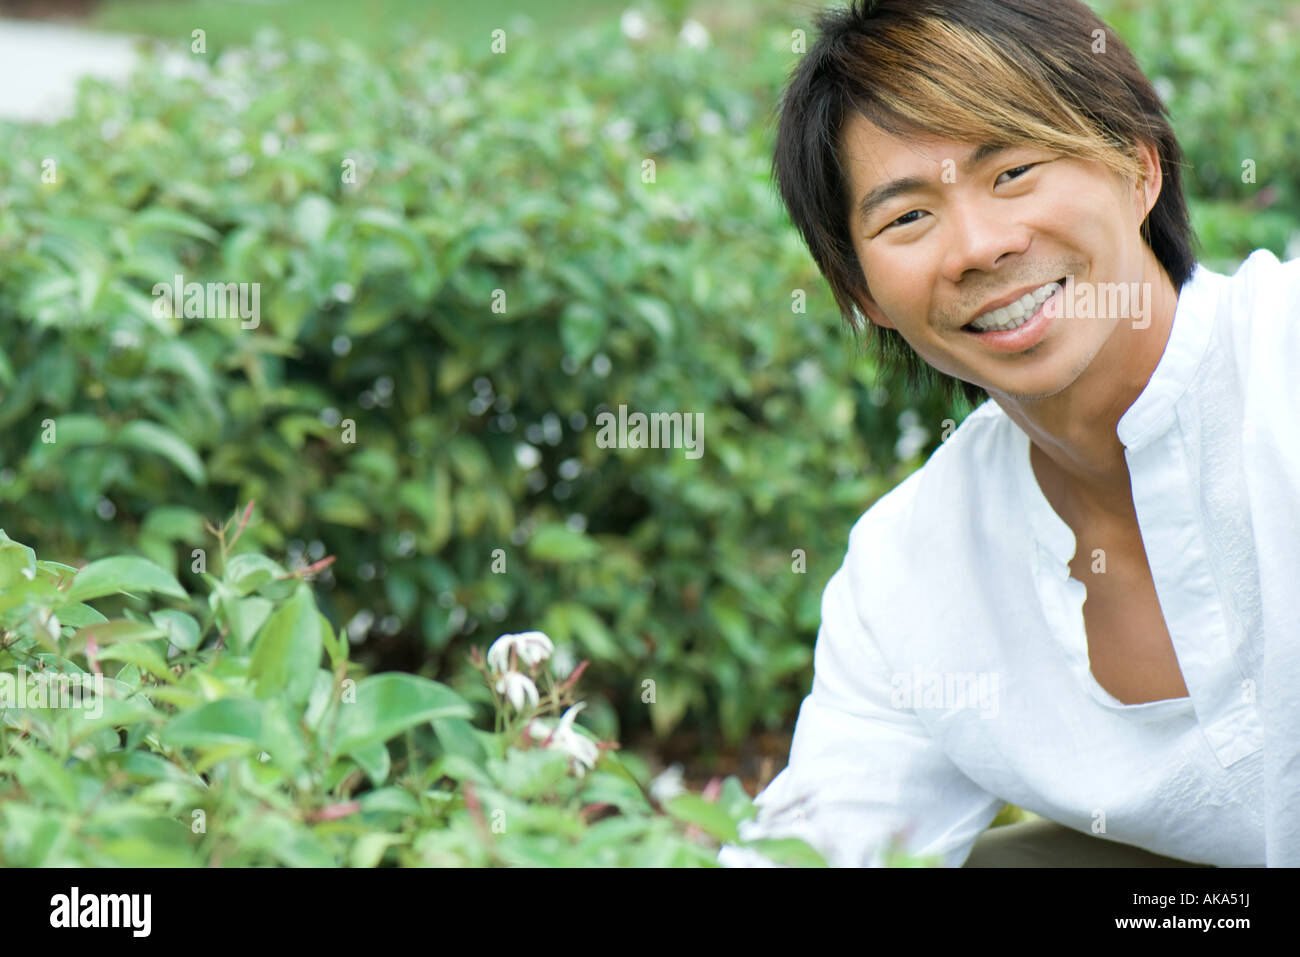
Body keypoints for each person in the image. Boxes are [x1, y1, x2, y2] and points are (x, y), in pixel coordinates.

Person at [718, 0, 1299, 867]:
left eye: (1015, 170)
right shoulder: (906, 573)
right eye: (907, 217)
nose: (979, 246)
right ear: (864, 294)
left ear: (1139, 169)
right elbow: (818, 845)